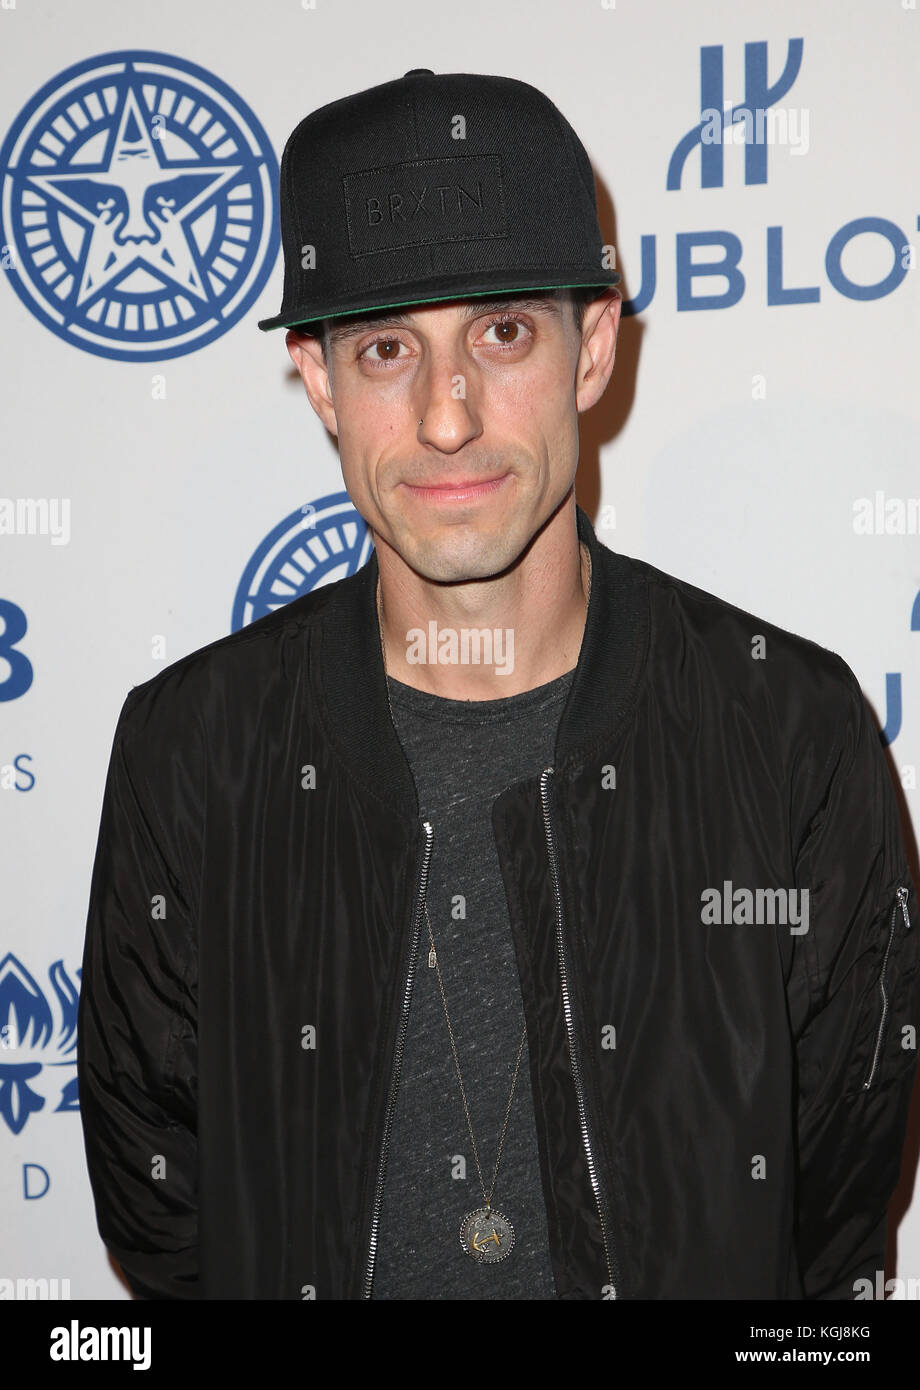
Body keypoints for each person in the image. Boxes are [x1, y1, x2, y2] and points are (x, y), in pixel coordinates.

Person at [78, 67, 920, 1301]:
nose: (448, 415)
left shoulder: (786, 729)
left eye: (503, 333)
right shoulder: (193, 748)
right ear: (318, 382)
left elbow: (831, 1213)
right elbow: (161, 1211)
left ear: (592, 346)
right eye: (383, 349)